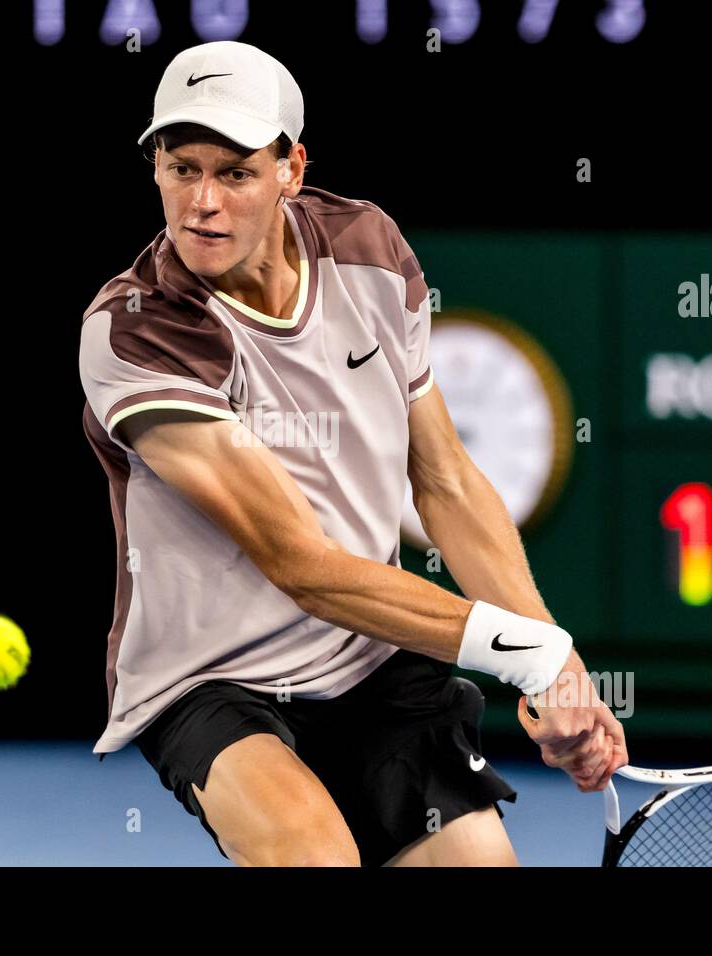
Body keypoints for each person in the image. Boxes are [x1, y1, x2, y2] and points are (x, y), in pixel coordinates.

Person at [79, 40, 627, 866]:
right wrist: (528, 655)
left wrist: (560, 665)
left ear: (291, 169)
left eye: (235, 172)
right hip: (211, 679)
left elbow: (442, 479)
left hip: (371, 663)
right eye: (180, 167)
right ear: (153, 165)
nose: (202, 202)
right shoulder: (141, 331)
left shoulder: (367, 247)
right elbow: (302, 565)